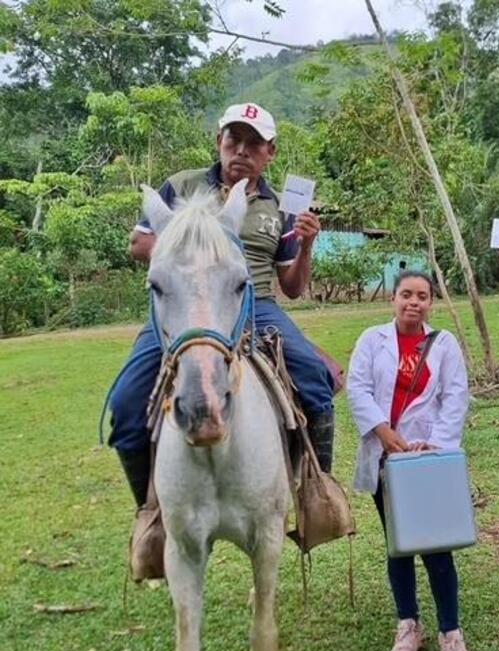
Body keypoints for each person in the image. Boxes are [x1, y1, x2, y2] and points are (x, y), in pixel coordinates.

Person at [109, 102, 336, 526]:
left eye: (254, 144)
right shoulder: (182, 185)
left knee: (316, 381)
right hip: (182, 308)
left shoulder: (281, 208)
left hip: (258, 306)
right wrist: (195, 255)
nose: (241, 151)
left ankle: (317, 497)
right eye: (233, 140)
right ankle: (152, 516)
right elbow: (139, 245)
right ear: (219, 142)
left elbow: (292, 286)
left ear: (271, 152)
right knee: (124, 404)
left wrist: (306, 245)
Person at [346, 271, 479, 651]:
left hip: (427, 462)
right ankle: (408, 626)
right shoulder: (372, 340)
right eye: (406, 294)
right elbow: (357, 388)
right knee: (399, 546)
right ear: (392, 298)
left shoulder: (443, 344)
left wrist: (433, 445)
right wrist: (383, 433)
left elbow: (455, 396)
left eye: (423, 296)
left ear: (431, 303)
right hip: (387, 461)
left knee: (438, 548)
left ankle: (451, 635)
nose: (414, 302)